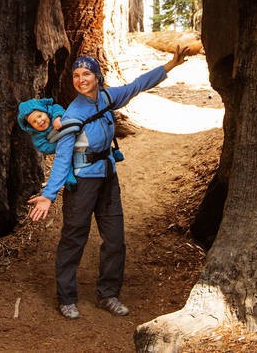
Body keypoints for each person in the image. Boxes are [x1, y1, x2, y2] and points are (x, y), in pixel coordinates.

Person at [27, 46, 193, 320]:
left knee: (115, 239)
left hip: (108, 178)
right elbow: (63, 157)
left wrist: (170, 65)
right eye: (76, 75)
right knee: (73, 238)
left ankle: (108, 294)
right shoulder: (72, 116)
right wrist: (49, 194)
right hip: (81, 184)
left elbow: (137, 85)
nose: (81, 79)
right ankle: (67, 298)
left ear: (97, 76)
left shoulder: (106, 97)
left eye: (86, 74)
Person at [16, 98, 78, 189]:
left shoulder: (52, 111)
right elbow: (43, 147)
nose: (39, 121)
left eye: (40, 116)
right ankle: (68, 180)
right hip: (61, 147)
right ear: (31, 126)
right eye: (34, 122)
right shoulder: (37, 135)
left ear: (45, 111)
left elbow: (58, 108)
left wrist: (57, 118)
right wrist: (60, 146)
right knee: (64, 161)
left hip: (72, 134)